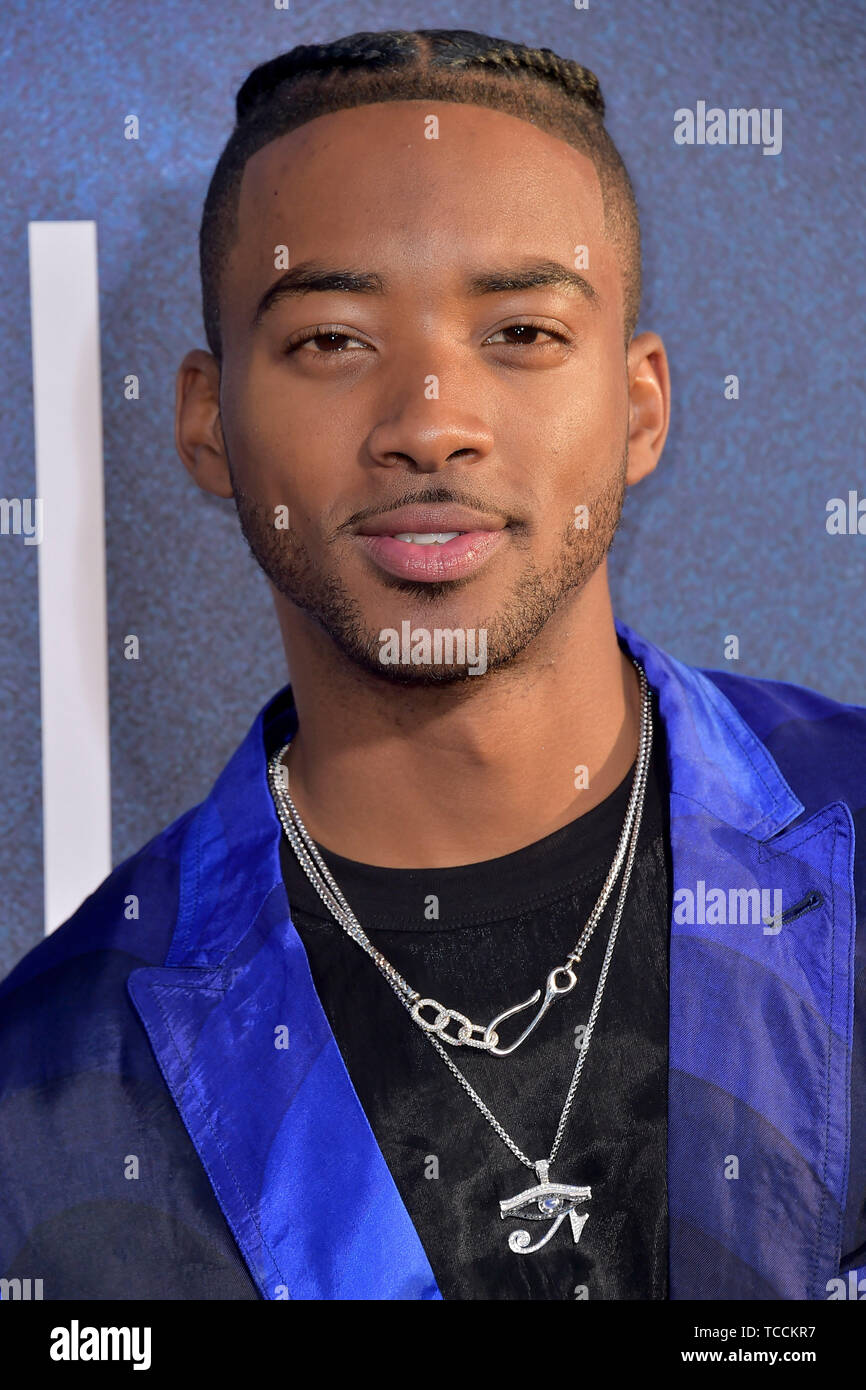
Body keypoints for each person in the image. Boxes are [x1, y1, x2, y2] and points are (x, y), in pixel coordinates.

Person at [0, 27, 863, 1302]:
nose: (428, 424)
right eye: (332, 341)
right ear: (205, 421)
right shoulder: (53, 1096)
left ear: (639, 408)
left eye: (518, 330)